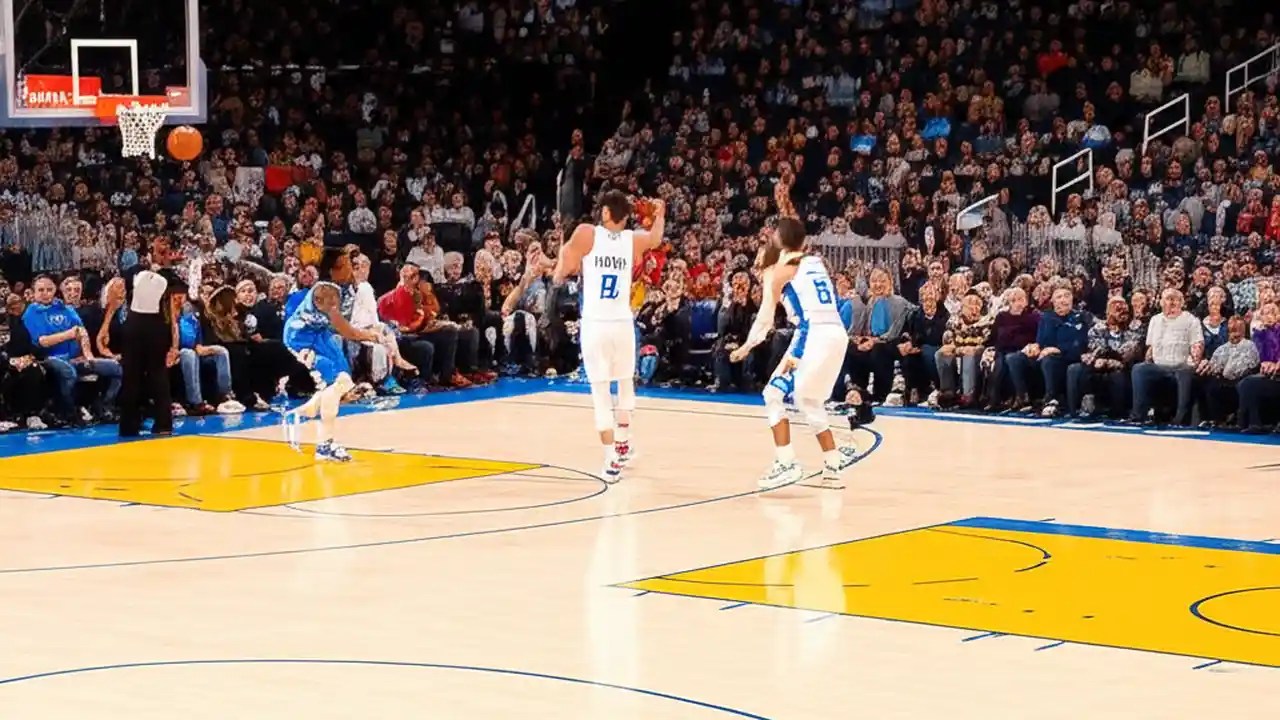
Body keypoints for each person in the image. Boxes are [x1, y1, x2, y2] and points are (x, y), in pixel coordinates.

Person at [729, 181, 857, 490]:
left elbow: (764, 319)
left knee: (773, 394)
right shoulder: (813, 260)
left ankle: (786, 463)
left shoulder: (777, 272)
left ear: (778, 242)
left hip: (812, 335)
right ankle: (833, 464)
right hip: (836, 334)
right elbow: (794, 230)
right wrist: (784, 202)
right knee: (809, 399)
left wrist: (747, 346)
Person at [553, 190, 665, 482]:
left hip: (596, 324)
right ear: (626, 216)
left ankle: (611, 458)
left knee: (601, 391)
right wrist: (660, 213)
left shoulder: (586, 233)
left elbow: (563, 271)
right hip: (622, 323)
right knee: (626, 384)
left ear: (604, 212)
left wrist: (562, 249)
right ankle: (623, 442)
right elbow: (655, 238)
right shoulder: (632, 239)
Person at [280, 247, 380, 462]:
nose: (352, 269)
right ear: (334, 270)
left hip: (320, 335)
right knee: (331, 384)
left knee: (344, 382)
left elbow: (336, 326)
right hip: (301, 339)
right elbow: (345, 330)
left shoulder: (342, 288)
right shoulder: (326, 291)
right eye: (347, 265)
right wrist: (369, 335)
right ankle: (325, 445)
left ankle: (300, 414)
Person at [117, 270, 176, 438]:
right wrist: (173, 345)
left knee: (131, 376)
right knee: (158, 375)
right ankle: (164, 424)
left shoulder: (140, 276)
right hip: (156, 325)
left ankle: (128, 426)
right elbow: (171, 318)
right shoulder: (161, 282)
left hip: (135, 324)